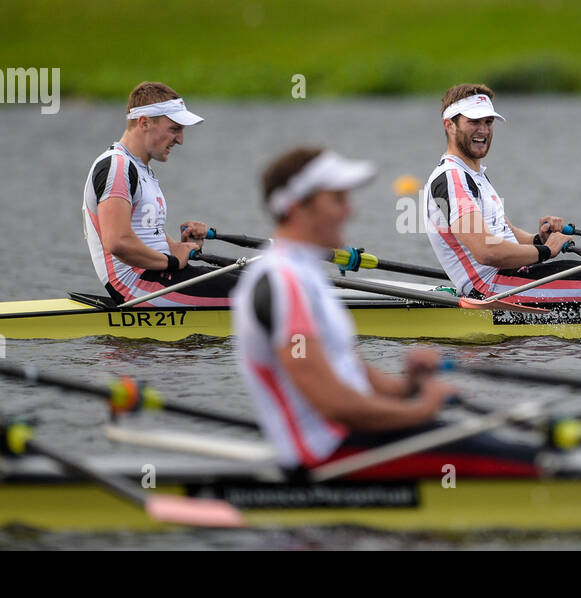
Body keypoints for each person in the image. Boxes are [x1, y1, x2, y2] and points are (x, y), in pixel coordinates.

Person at [233, 147, 539, 476]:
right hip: (327, 457)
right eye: (336, 200)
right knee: (522, 460)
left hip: (353, 440)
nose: (349, 211)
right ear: (296, 207)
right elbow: (334, 404)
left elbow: (351, 373)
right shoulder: (283, 282)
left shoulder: (303, 273)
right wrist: (422, 411)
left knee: (497, 442)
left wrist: (408, 386)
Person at [423, 83, 581, 302]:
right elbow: (486, 251)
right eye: (473, 122)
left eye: (488, 121)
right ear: (449, 125)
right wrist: (545, 251)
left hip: (513, 277)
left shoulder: (472, 175)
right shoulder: (452, 178)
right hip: (492, 289)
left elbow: (504, 233)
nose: (483, 130)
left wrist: (537, 239)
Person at [82, 81, 233, 307]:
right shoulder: (117, 166)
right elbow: (118, 242)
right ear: (144, 122)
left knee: (259, 280)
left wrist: (180, 247)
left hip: (157, 276)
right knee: (260, 294)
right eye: (174, 129)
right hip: (137, 286)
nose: (181, 140)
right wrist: (171, 262)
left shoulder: (141, 169)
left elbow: (146, 235)